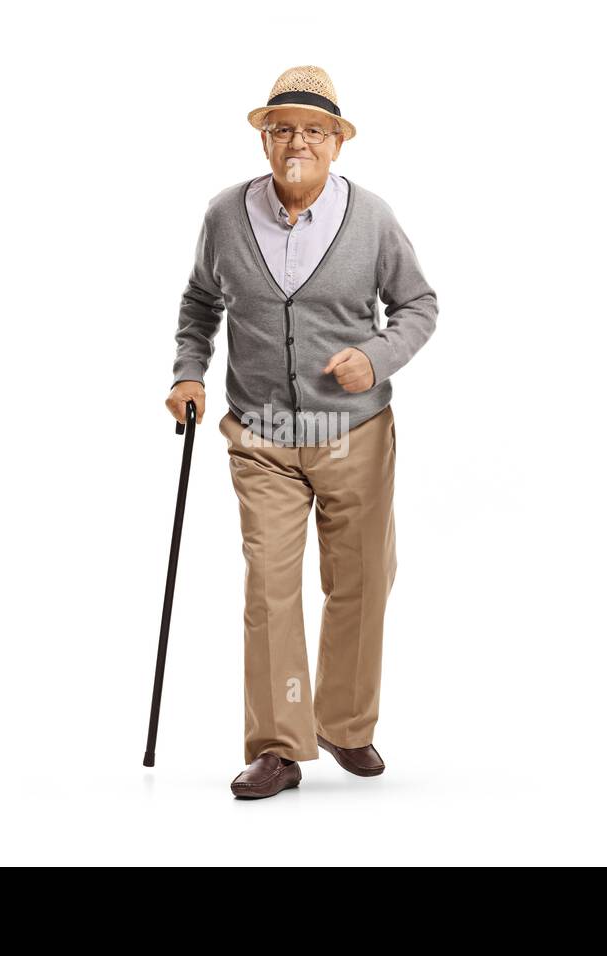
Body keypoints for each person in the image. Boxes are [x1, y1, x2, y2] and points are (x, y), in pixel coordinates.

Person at [165, 65, 438, 799]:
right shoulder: (225, 215)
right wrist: (188, 373)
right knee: (270, 583)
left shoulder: (372, 218)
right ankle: (279, 746)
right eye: (283, 127)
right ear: (264, 137)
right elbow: (199, 301)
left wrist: (377, 357)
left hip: (355, 432)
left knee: (361, 579)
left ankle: (346, 724)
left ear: (336, 144)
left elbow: (417, 305)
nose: (298, 142)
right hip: (261, 434)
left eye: (314, 130)